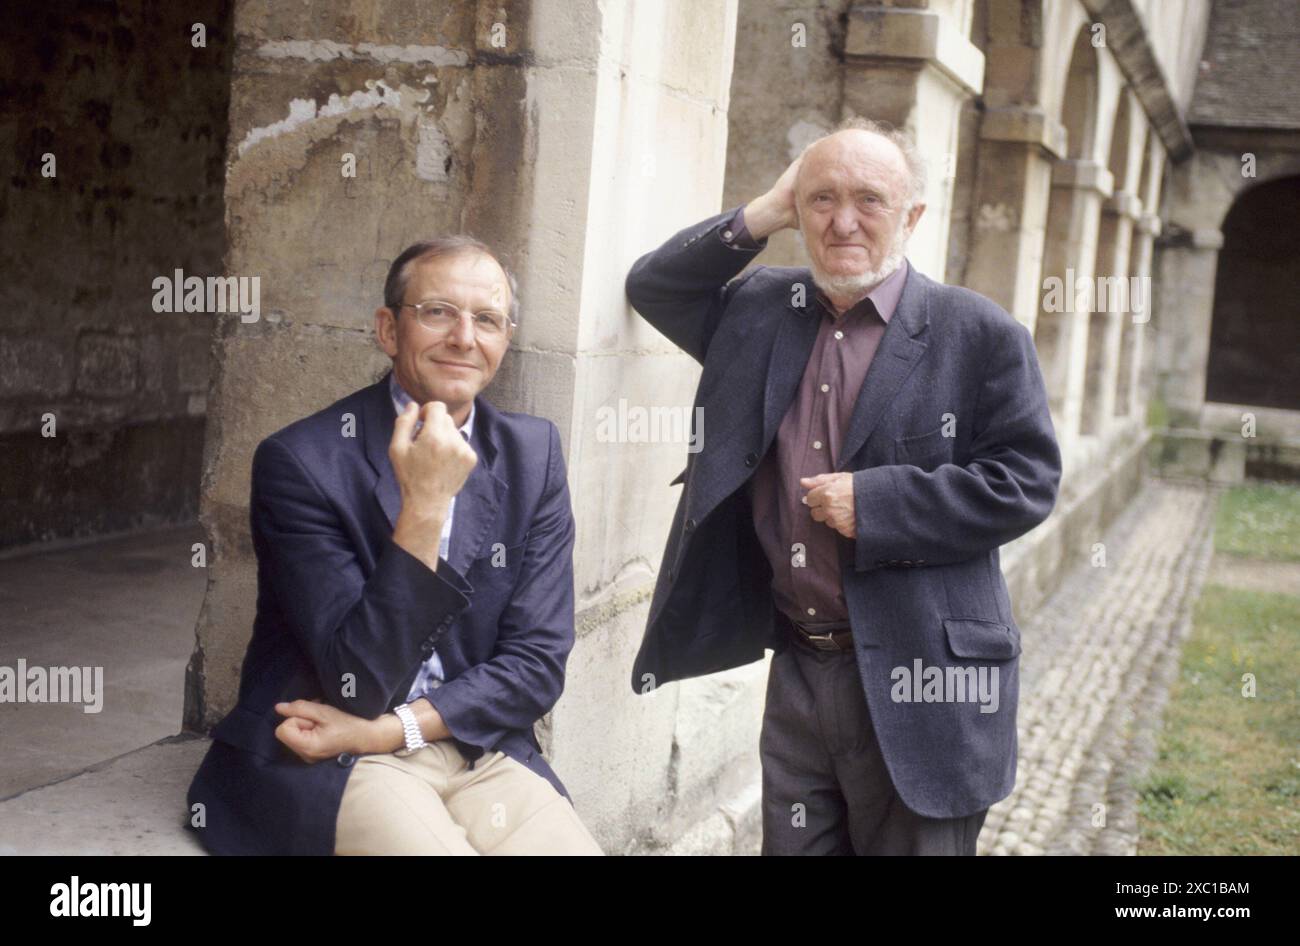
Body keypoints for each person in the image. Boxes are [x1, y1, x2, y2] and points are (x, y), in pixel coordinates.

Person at [624, 116, 1062, 855]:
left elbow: (1026, 481)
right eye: (821, 199)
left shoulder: (978, 333)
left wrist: (880, 503)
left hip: (928, 679)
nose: (843, 221)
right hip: (799, 668)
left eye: (870, 199)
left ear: (912, 216)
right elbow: (655, 285)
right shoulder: (760, 308)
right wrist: (765, 209)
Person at [187, 236, 603, 855]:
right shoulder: (302, 463)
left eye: (486, 319)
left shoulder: (532, 454)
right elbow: (356, 681)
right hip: (328, 756)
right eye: (437, 312)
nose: (465, 337)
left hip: (463, 745)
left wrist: (389, 731)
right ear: (388, 329)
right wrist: (426, 505)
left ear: (504, 340)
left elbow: (537, 663)